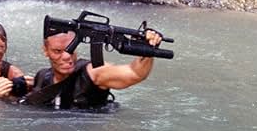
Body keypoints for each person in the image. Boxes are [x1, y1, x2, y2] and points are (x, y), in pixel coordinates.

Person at [27, 28, 163, 109]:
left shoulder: (93, 73)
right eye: (57, 51)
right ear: (45, 51)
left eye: (71, 49)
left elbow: (135, 73)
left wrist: (147, 48)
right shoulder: (42, 76)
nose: (66, 57)